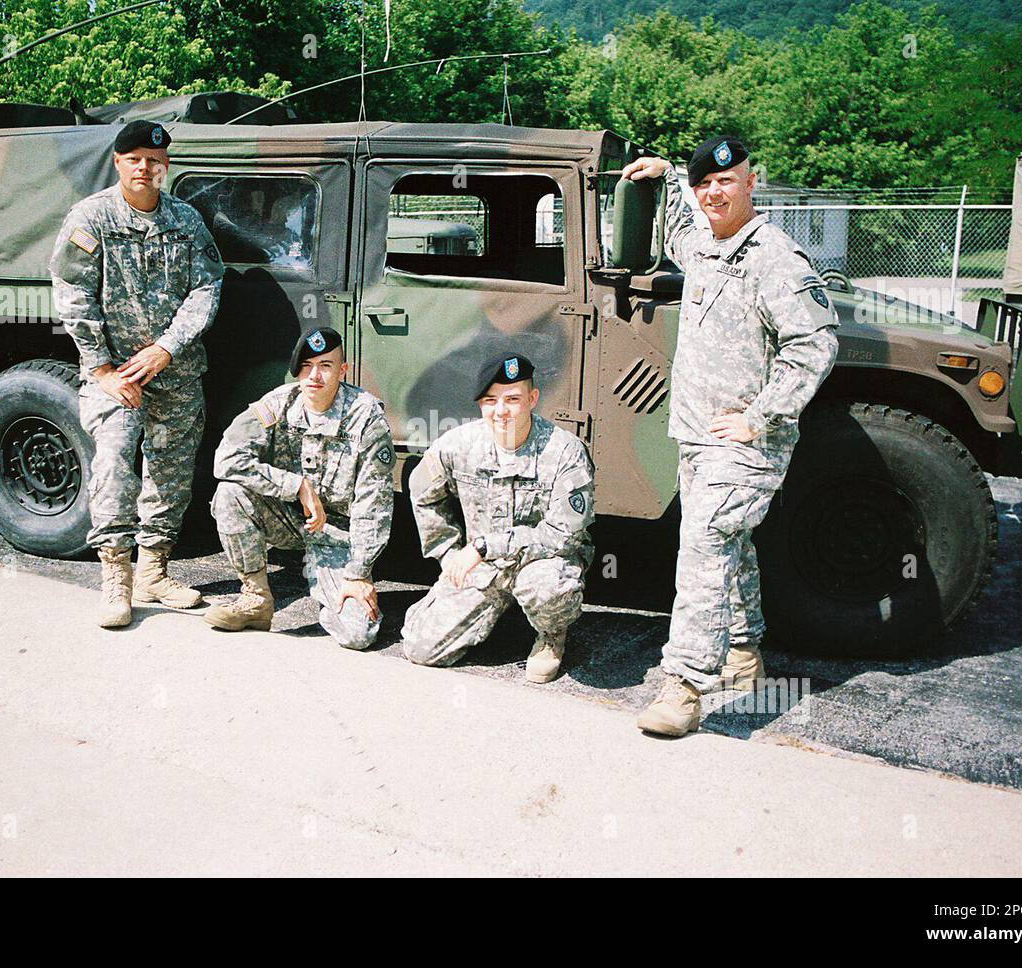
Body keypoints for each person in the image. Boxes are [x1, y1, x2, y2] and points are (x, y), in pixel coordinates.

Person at [621, 136, 839, 736]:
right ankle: (744, 656)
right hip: (695, 436)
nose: (714, 192)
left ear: (752, 181)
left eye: (727, 180)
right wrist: (667, 175)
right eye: (704, 184)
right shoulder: (706, 247)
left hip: (745, 445)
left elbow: (814, 344)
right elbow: (675, 229)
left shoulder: (775, 259)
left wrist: (760, 416)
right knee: (731, 545)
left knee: (703, 549)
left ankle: (685, 685)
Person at [50, 120, 224, 628]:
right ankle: (115, 579)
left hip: (174, 371)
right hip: (115, 376)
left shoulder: (185, 220)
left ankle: (153, 571)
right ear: (119, 163)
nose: (145, 168)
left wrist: (168, 348)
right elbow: (73, 293)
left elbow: (206, 287)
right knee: (113, 465)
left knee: (171, 469)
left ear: (165, 165)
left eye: (154, 160)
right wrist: (102, 368)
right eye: (135, 160)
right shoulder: (92, 218)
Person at [402, 354, 595, 683]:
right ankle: (479, 609)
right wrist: (446, 552)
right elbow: (421, 489)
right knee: (421, 649)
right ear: (480, 404)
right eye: (490, 401)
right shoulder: (459, 444)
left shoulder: (565, 452)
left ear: (532, 399)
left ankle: (551, 635)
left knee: (548, 588)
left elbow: (563, 536)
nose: (501, 410)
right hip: (485, 568)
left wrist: (483, 546)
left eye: (513, 399)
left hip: (540, 562)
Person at [206, 328, 394, 650]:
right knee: (230, 494)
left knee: (357, 635)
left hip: (337, 533)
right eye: (306, 366)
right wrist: (297, 486)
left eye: (325, 366)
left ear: (343, 370)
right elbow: (226, 459)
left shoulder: (366, 417)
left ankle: (326, 578)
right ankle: (256, 599)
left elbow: (373, 503)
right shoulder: (280, 403)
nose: (314, 376)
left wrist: (359, 573)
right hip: (289, 519)